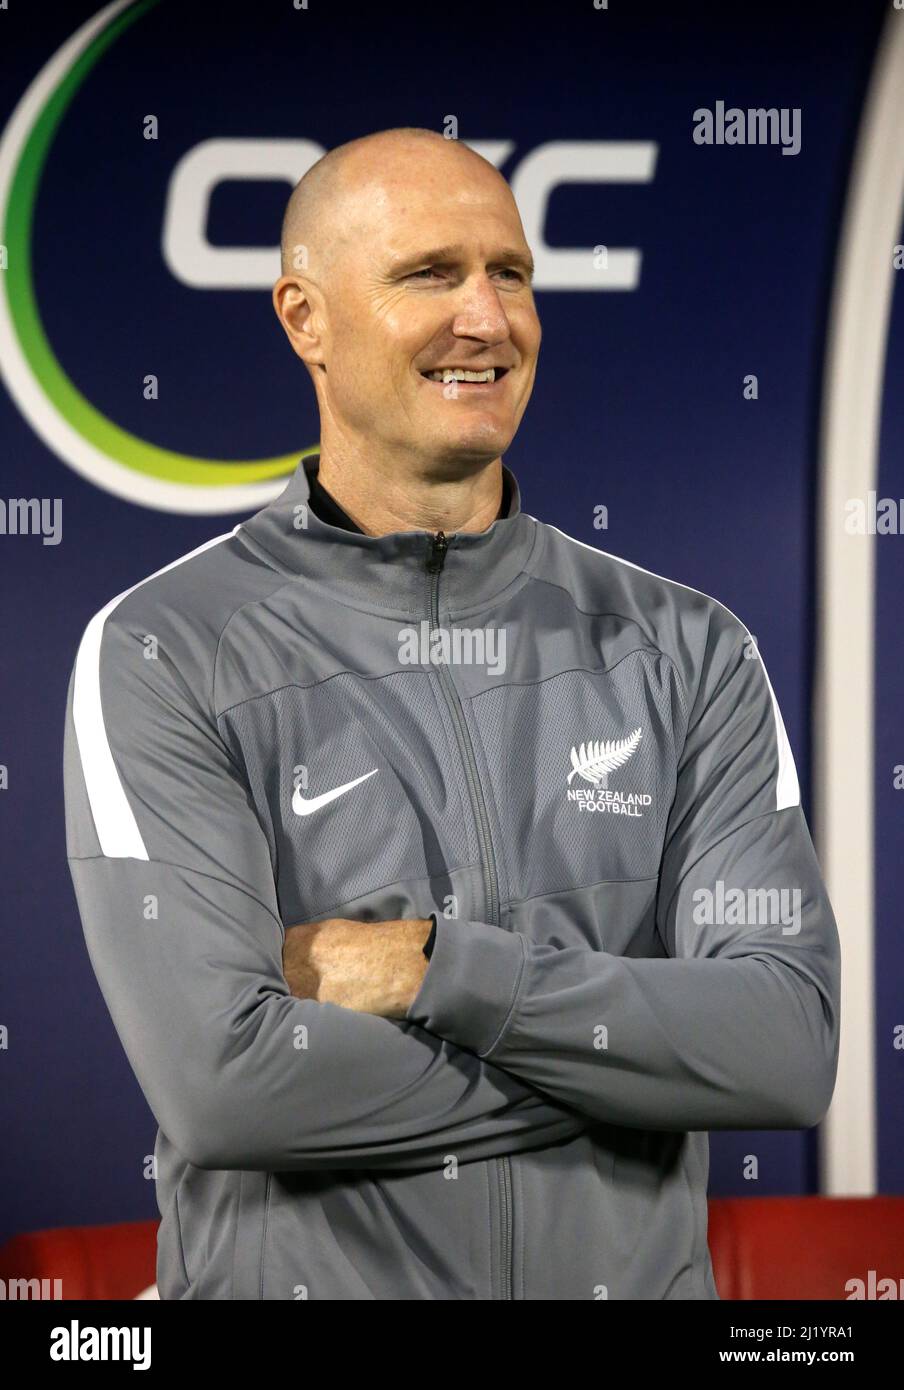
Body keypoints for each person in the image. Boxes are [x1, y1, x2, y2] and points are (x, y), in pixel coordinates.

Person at [63, 127, 840, 1300]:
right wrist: (631, 1067)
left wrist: (439, 971)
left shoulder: (687, 645)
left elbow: (783, 1049)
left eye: (511, 274)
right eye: (430, 274)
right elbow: (227, 1086)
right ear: (304, 319)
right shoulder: (166, 646)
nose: (487, 318)